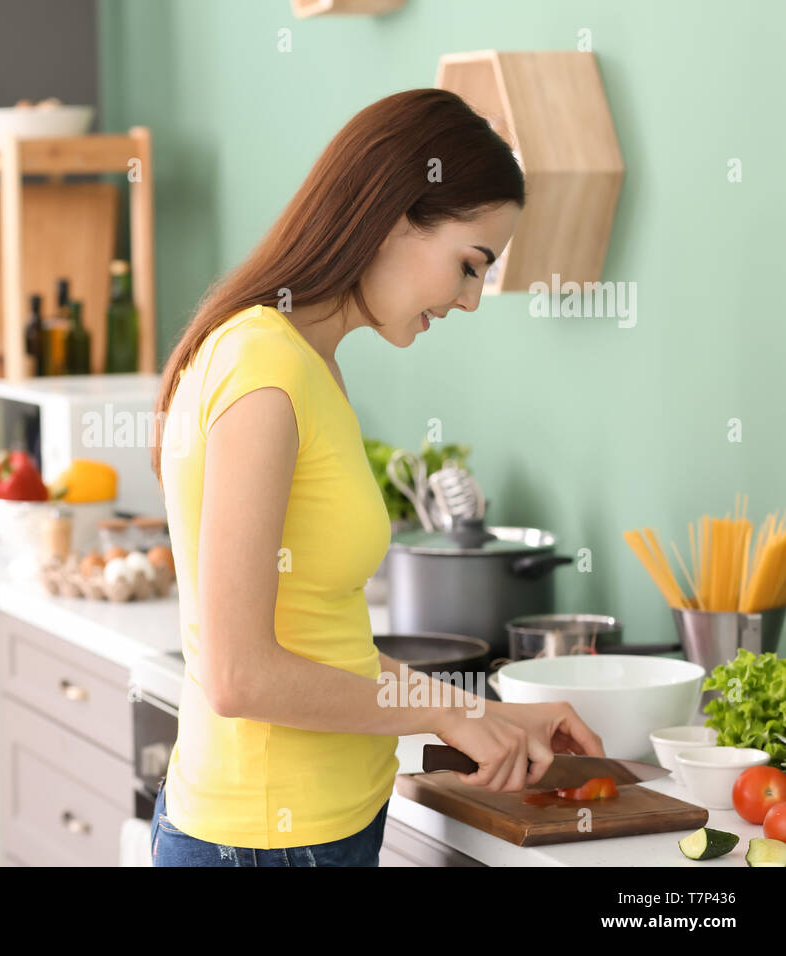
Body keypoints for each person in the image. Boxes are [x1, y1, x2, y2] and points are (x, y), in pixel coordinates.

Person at [148, 88, 605, 867]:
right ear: (397, 216)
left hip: (311, 831)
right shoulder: (263, 367)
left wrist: (473, 713)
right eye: (470, 265)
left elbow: (324, 642)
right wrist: (448, 713)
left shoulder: (304, 361)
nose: (469, 300)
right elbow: (237, 675)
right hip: (264, 843)